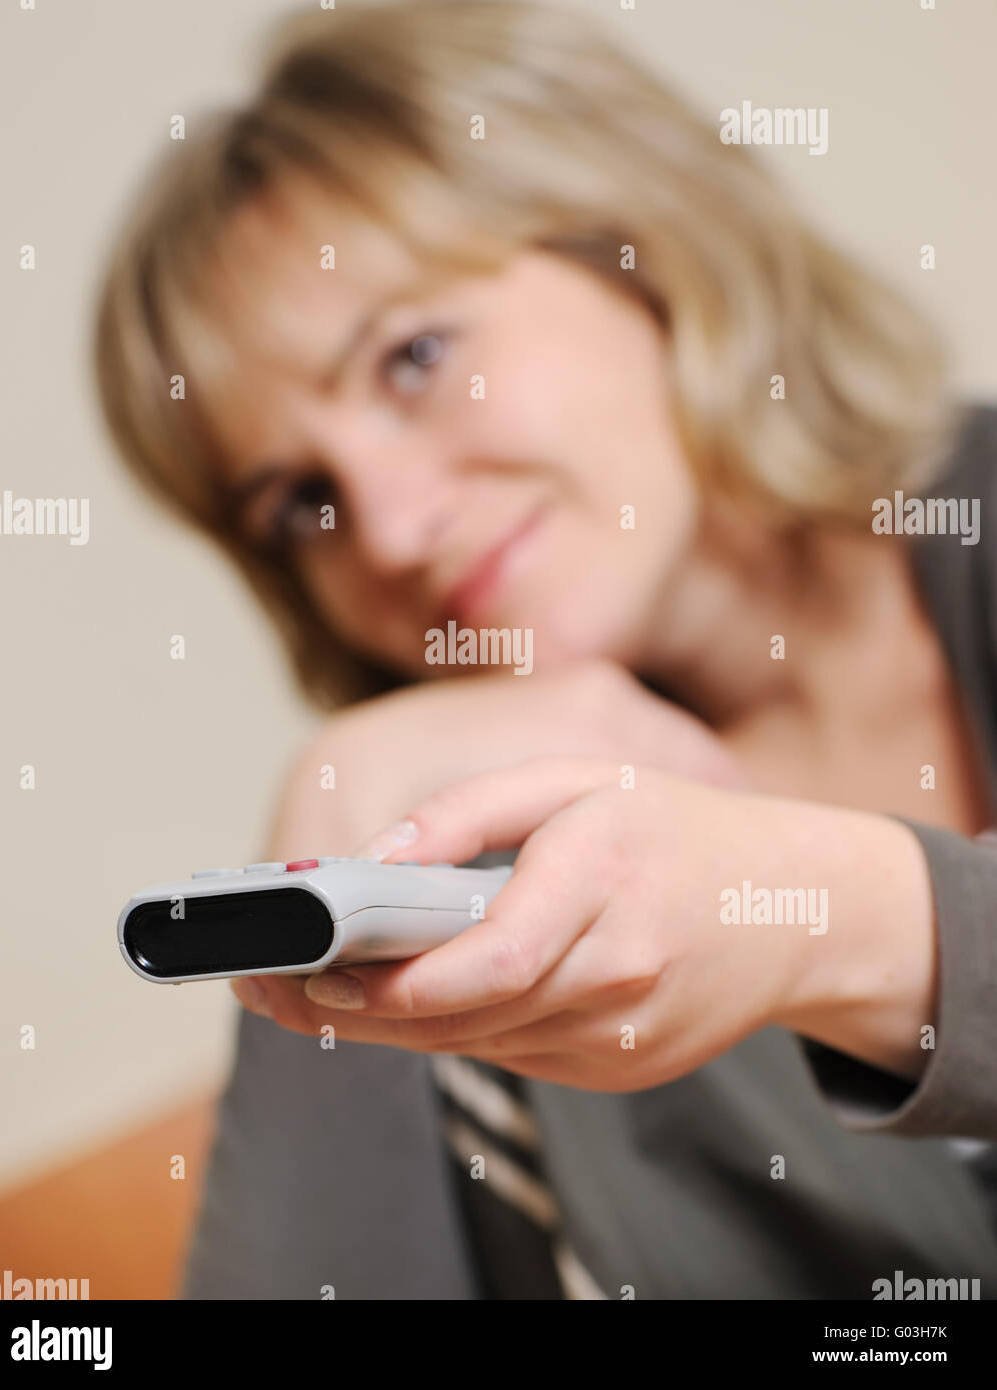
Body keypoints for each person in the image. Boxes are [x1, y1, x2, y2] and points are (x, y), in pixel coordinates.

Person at [92, 0, 997, 1298]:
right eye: (304, 504)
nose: (392, 529)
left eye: (413, 356)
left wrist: (814, 919)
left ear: (640, 239)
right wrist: (342, 804)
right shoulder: (471, 893)